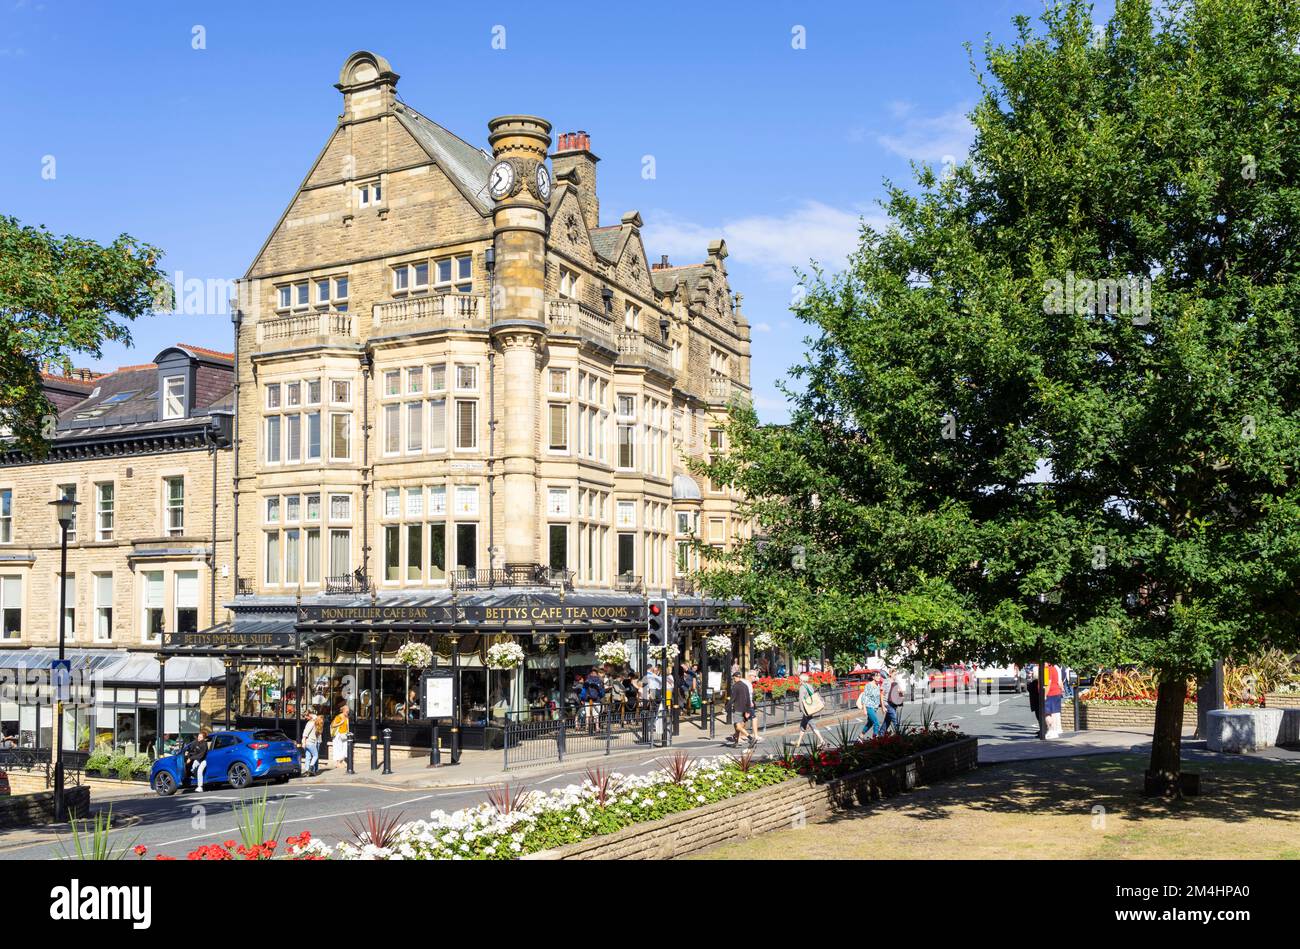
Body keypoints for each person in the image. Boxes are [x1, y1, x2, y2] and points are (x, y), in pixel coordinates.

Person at [791, 672, 825, 754]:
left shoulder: (802, 687)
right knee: (803, 725)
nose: (799, 680)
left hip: (806, 709)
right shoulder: (809, 686)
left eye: (799, 679)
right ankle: (798, 742)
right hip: (810, 708)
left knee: (812, 724)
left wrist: (802, 710)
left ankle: (822, 741)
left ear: (802, 680)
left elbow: (801, 700)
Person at [726, 670, 754, 746]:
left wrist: (727, 707)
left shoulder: (735, 686)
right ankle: (736, 742)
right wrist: (748, 710)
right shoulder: (745, 686)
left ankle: (750, 738)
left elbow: (732, 698)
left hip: (738, 708)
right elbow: (748, 698)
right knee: (737, 726)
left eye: (734, 678)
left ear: (735, 677)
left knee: (738, 726)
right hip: (745, 708)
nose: (734, 679)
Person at [857, 671, 884, 738]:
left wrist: (883, 706)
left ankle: (861, 735)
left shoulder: (878, 685)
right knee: (876, 723)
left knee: (870, 723)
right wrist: (864, 709)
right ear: (873, 677)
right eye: (877, 676)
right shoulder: (868, 685)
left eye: (879, 676)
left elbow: (880, 696)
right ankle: (875, 737)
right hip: (869, 706)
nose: (879, 677)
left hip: (875, 707)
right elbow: (864, 697)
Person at [1043, 663, 1064, 739]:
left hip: (1050, 694)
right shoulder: (1054, 668)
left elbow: (1047, 683)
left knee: (1047, 713)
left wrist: (1044, 695)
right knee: (1054, 713)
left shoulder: (1046, 669)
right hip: (1056, 692)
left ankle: (1051, 731)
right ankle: (1055, 730)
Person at [884, 668, 906, 734]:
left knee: (887, 721)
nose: (895, 676)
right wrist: (882, 706)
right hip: (887, 703)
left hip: (894, 702)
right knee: (894, 718)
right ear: (890, 674)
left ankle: (881, 733)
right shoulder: (886, 681)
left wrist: (901, 693)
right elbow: (882, 693)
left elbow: (900, 690)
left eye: (896, 674)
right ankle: (899, 733)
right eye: (894, 674)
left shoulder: (896, 681)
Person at [330, 701, 351, 768]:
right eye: (347, 711)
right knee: (338, 749)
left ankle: (342, 761)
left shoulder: (347, 717)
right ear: (343, 710)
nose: (348, 712)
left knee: (345, 748)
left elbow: (347, 726)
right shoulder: (339, 717)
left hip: (345, 734)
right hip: (338, 735)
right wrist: (340, 723)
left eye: (348, 711)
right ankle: (338, 763)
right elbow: (333, 725)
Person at [300, 712, 321, 776]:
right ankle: (310, 768)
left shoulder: (312, 723)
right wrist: (303, 741)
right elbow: (305, 733)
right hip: (310, 742)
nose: (305, 718)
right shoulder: (312, 723)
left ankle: (307, 771)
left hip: (308, 742)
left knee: (308, 756)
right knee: (315, 755)